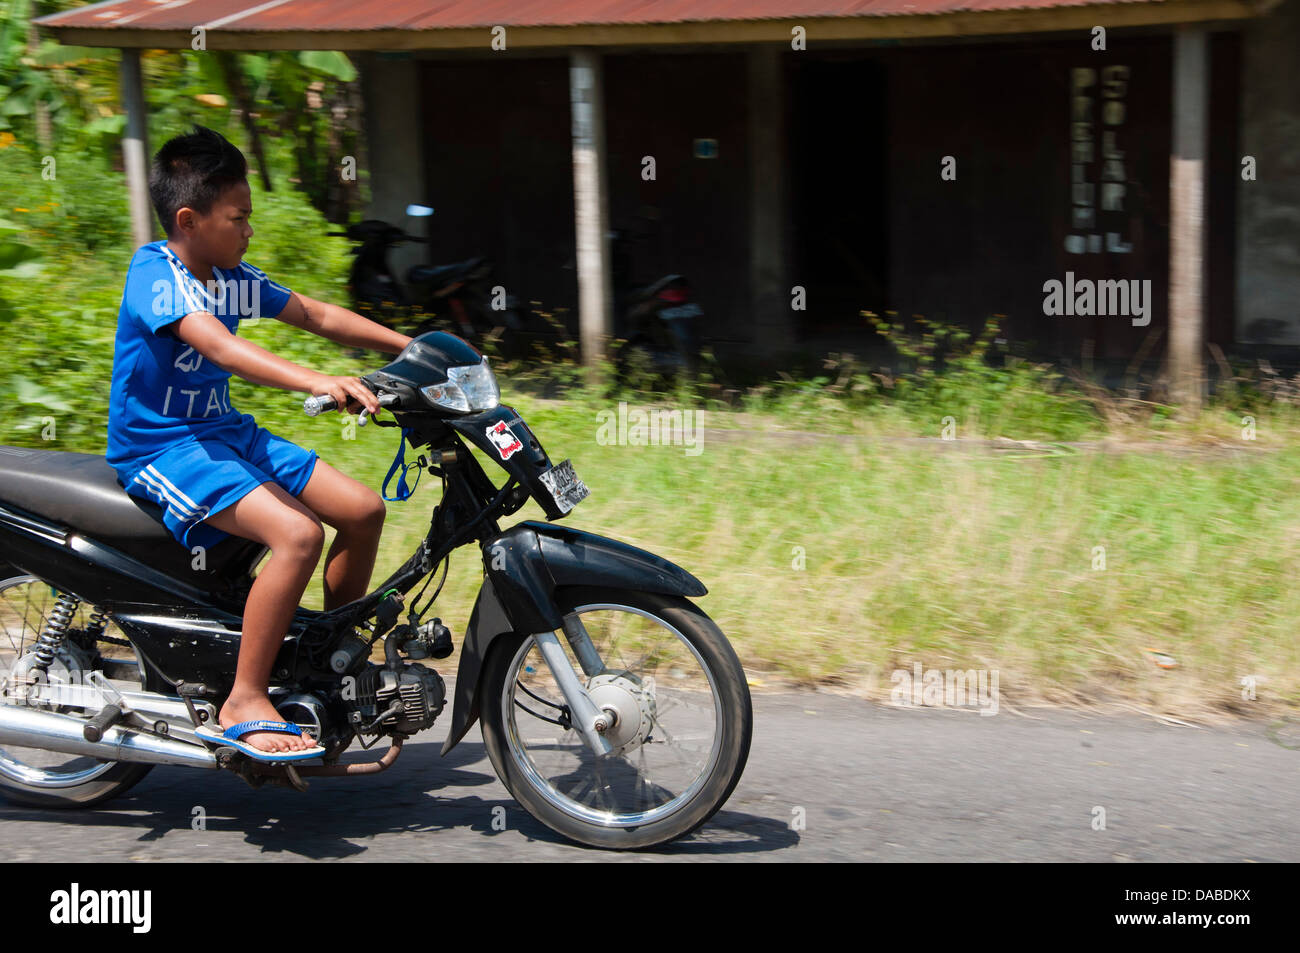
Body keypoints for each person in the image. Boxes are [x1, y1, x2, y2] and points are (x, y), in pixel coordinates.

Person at [106, 125, 412, 759]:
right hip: (162, 447)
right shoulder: (154, 275)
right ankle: (244, 696)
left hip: (223, 431)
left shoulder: (232, 276)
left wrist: (414, 349)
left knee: (362, 510)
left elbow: (317, 315)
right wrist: (319, 380)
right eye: (238, 217)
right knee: (298, 534)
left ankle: (330, 657)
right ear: (189, 220)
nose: (249, 231)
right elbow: (221, 347)